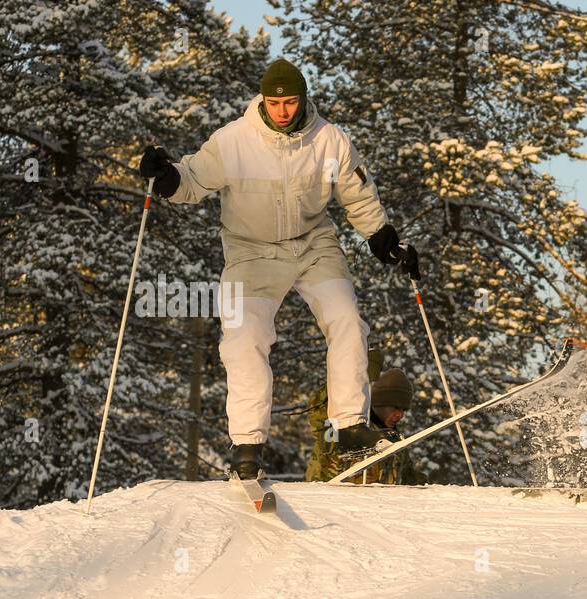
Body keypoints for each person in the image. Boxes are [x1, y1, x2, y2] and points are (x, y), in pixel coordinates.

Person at [136, 58, 419, 479]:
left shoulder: (331, 141)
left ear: (303, 99)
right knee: (245, 335)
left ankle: (349, 427)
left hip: (313, 245)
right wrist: (166, 178)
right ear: (264, 101)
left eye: (290, 102)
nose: (282, 111)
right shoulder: (234, 141)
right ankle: (248, 445)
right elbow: (192, 179)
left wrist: (384, 239)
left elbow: (358, 197)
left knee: (347, 320)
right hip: (251, 252)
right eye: (274, 102)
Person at [304, 350, 424, 485]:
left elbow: (409, 479)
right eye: (395, 407)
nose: (400, 415)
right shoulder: (343, 427)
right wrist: (357, 374)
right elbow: (322, 408)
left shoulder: (394, 439)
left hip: (377, 505)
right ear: (378, 403)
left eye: (404, 410)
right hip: (331, 502)